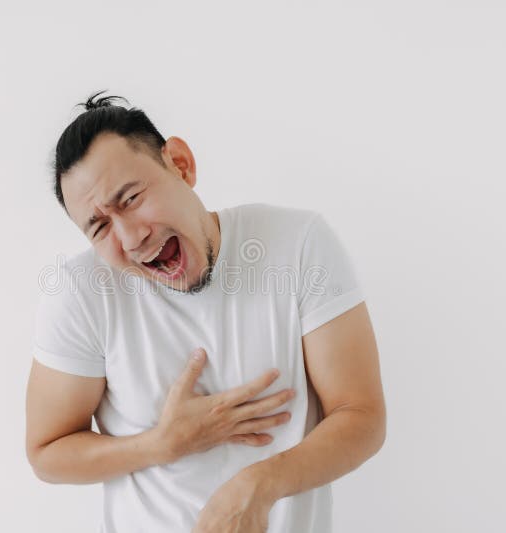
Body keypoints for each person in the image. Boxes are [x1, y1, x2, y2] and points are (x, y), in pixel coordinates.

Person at [25, 91, 386, 533]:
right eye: (100, 227)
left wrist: (260, 485)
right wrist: (163, 443)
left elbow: (362, 415)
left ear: (180, 163)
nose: (131, 237)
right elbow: (48, 453)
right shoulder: (80, 294)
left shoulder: (299, 244)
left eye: (131, 198)